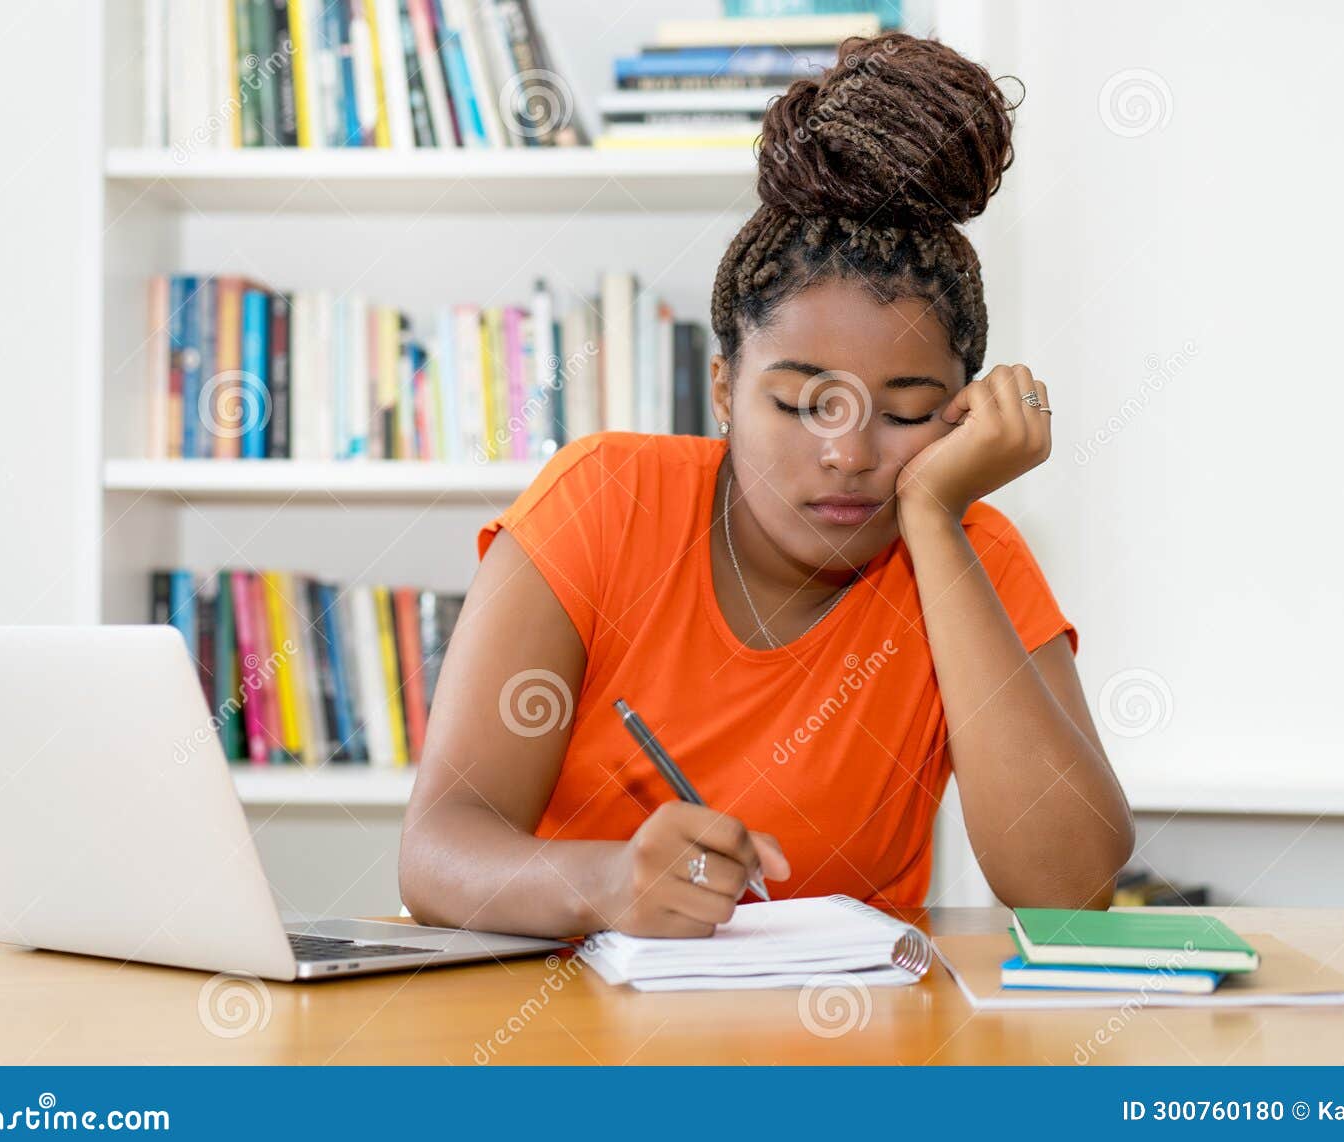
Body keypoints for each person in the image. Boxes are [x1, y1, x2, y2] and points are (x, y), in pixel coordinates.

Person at [399, 32, 1134, 939]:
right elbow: (436, 851)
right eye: (797, 404)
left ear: (961, 418)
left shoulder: (974, 559)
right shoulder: (603, 499)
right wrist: (609, 884)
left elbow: (1067, 888)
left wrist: (935, 522)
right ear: (723, 390)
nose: (849, 453)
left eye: (906, 413)